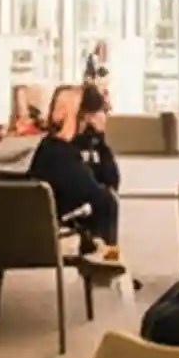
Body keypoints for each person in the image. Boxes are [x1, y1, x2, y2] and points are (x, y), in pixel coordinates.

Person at [27, 85, 122, 265]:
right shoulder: (63, 154)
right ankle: (108, 263)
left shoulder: (49, 147)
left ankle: (108, 260)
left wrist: (99, 142)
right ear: (82, 116)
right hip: (51, 226)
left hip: (38, 224)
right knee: (106, 201)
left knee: (103, 199)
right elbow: (100, 189)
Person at [72, 84, 121, 192]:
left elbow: (113, 183)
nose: (105, 117)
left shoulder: (98, 146)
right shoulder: (67, 147)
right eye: (104, 111)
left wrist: (100, 139)